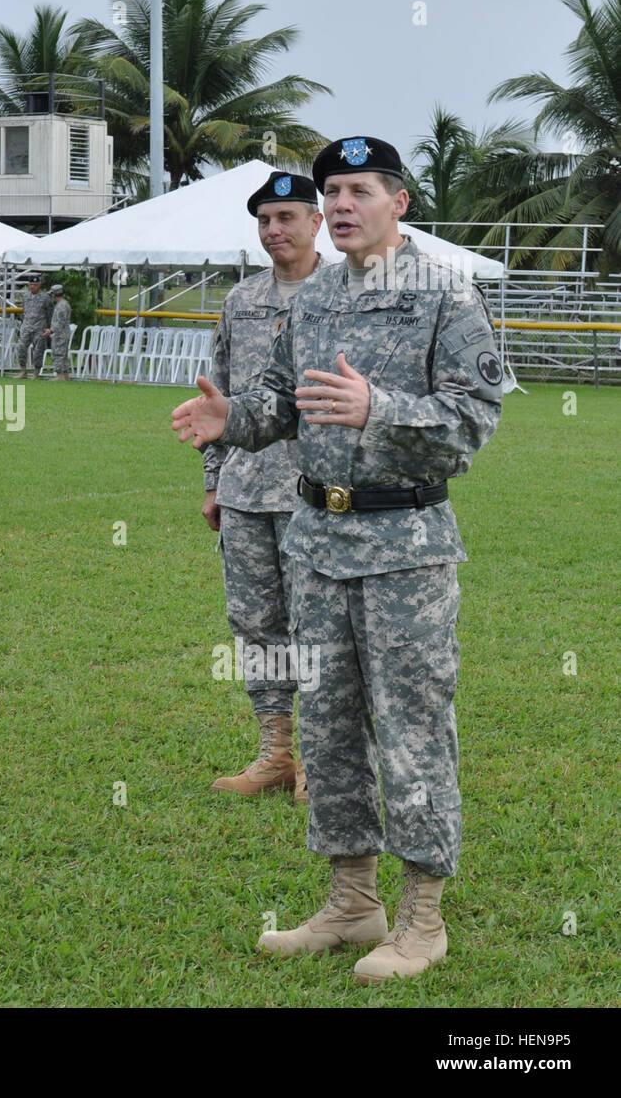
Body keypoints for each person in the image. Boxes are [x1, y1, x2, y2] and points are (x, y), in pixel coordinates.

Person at [172, 137, 501, 985]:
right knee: (327, 725)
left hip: (404, 552)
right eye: (333, 190)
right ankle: (352, 899)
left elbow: (473, 420)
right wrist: (232, 418)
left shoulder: (444, 294)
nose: (342, 203)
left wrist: (377, 408)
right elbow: (281, 398)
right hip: (314, 541)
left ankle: (423, 915)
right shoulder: (314, 295)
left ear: (398, 201)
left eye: (357, 189)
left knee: (412, 729)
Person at [201, 172, 326, 802]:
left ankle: (319, 761)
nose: (274, 230)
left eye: (287, 218)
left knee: (319, 627)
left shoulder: (343, 297)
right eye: (264, 221)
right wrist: (213, 481)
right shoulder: (241, 300)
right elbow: (217, 397)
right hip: (247, 492)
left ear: (317, 221)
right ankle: (275, 751)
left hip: (318, 494)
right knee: (256, 625)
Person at [15, 274, 52, 377]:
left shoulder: (45, 297)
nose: (32, 287)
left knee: (38, 351)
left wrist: (49, 328)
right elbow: (24, 311)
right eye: (31, 284)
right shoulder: (25, 296)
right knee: (21, 347)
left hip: (40, 327)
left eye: (35, 284)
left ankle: (36, 372)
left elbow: (50, 314)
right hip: (27, 326)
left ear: (39, 285)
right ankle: (23, 370)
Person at [44, 283, 73, 380]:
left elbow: (60, 322)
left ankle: (59, 375)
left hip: (60, 334)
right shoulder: (62, 304)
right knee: (62, 355)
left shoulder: (62, 306)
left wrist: (51, 330)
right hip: (61, 334)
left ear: (54, 294)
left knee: (58, 354)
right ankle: (65, 376)